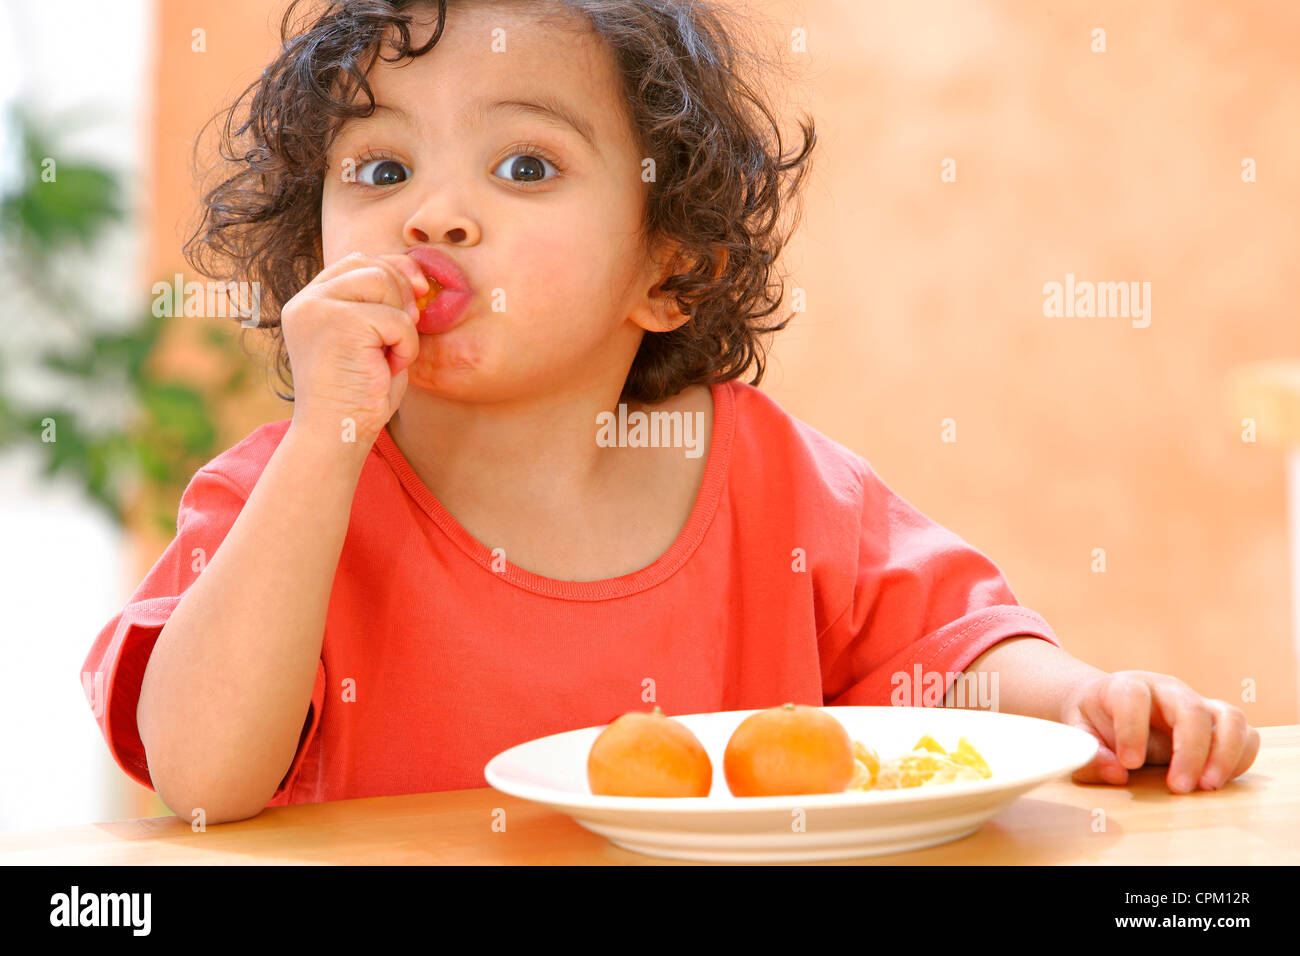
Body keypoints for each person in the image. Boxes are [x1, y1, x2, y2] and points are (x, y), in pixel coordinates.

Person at [81, 0, 1258, 823]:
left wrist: (1084, 704)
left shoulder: (764, 475)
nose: (433, 214)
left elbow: (947, 653)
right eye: (381, 170)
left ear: (668, 271)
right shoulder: (286, 495)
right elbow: (196, 777)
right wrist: (326, 447)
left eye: (525, 165)